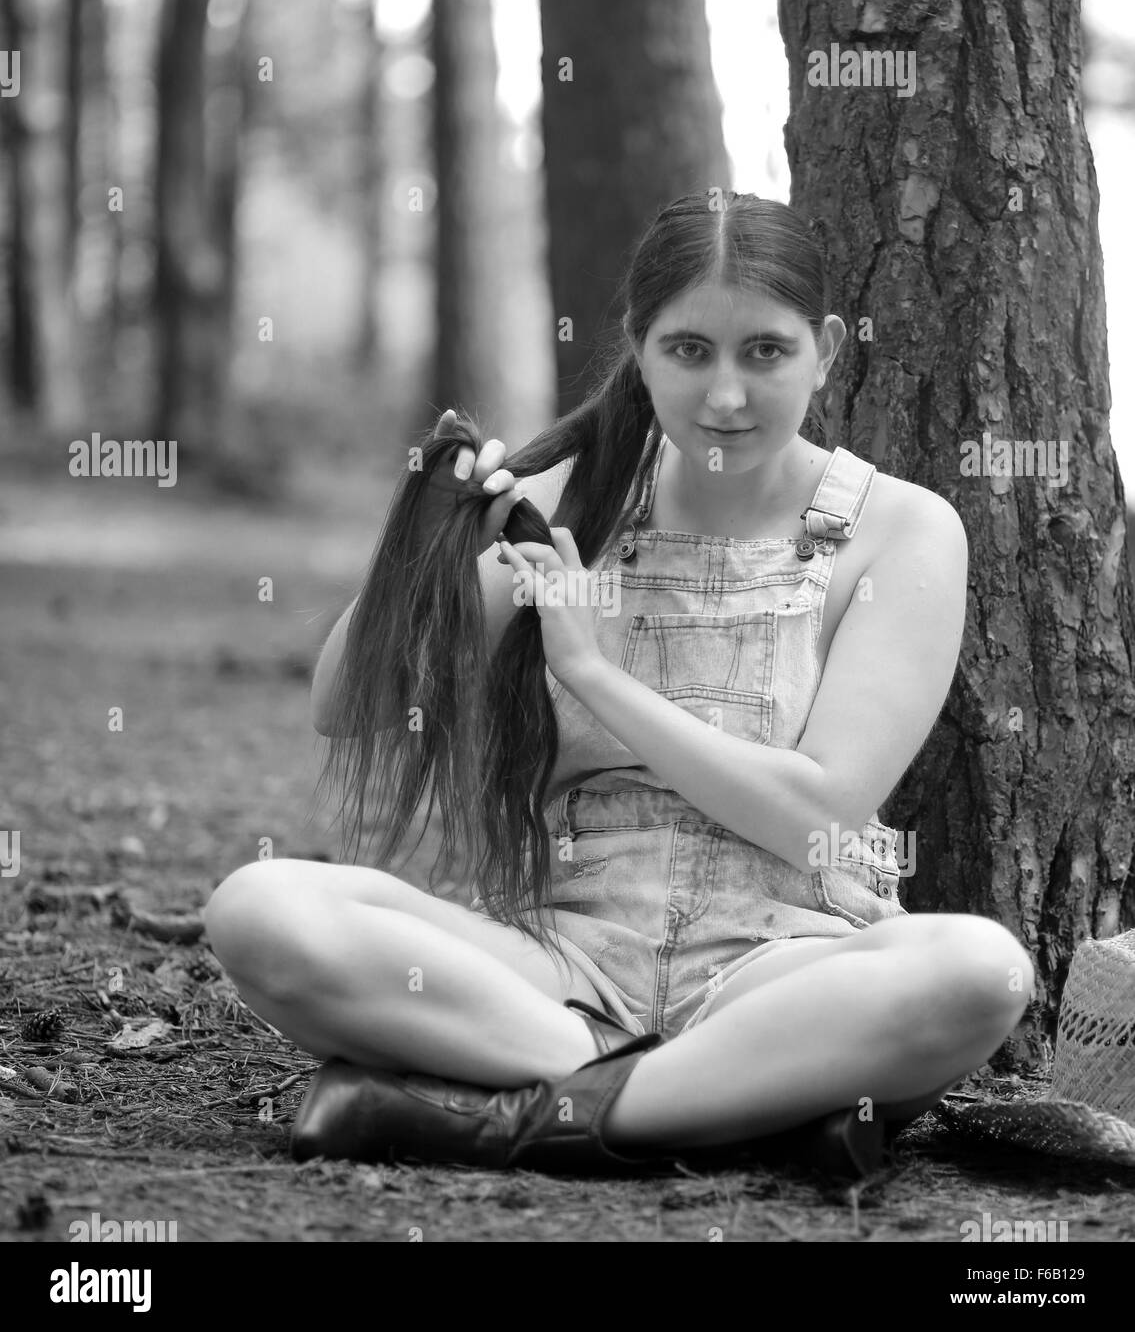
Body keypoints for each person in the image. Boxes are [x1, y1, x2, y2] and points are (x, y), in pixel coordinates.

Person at [204, 190, 1034, 1178]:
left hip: (789, 965)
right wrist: (431, 533)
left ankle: (501, 1116)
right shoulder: (565, 503)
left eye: (763, 351)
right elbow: (347, 706)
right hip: (559, 966)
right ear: (638, 348)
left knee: (979, 972)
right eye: (688, 351)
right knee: (259, 909)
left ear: (825, 347)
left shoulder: (899, 528)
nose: (725, 396)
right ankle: (721, 1101)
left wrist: (594, 674)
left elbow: (815, 809)